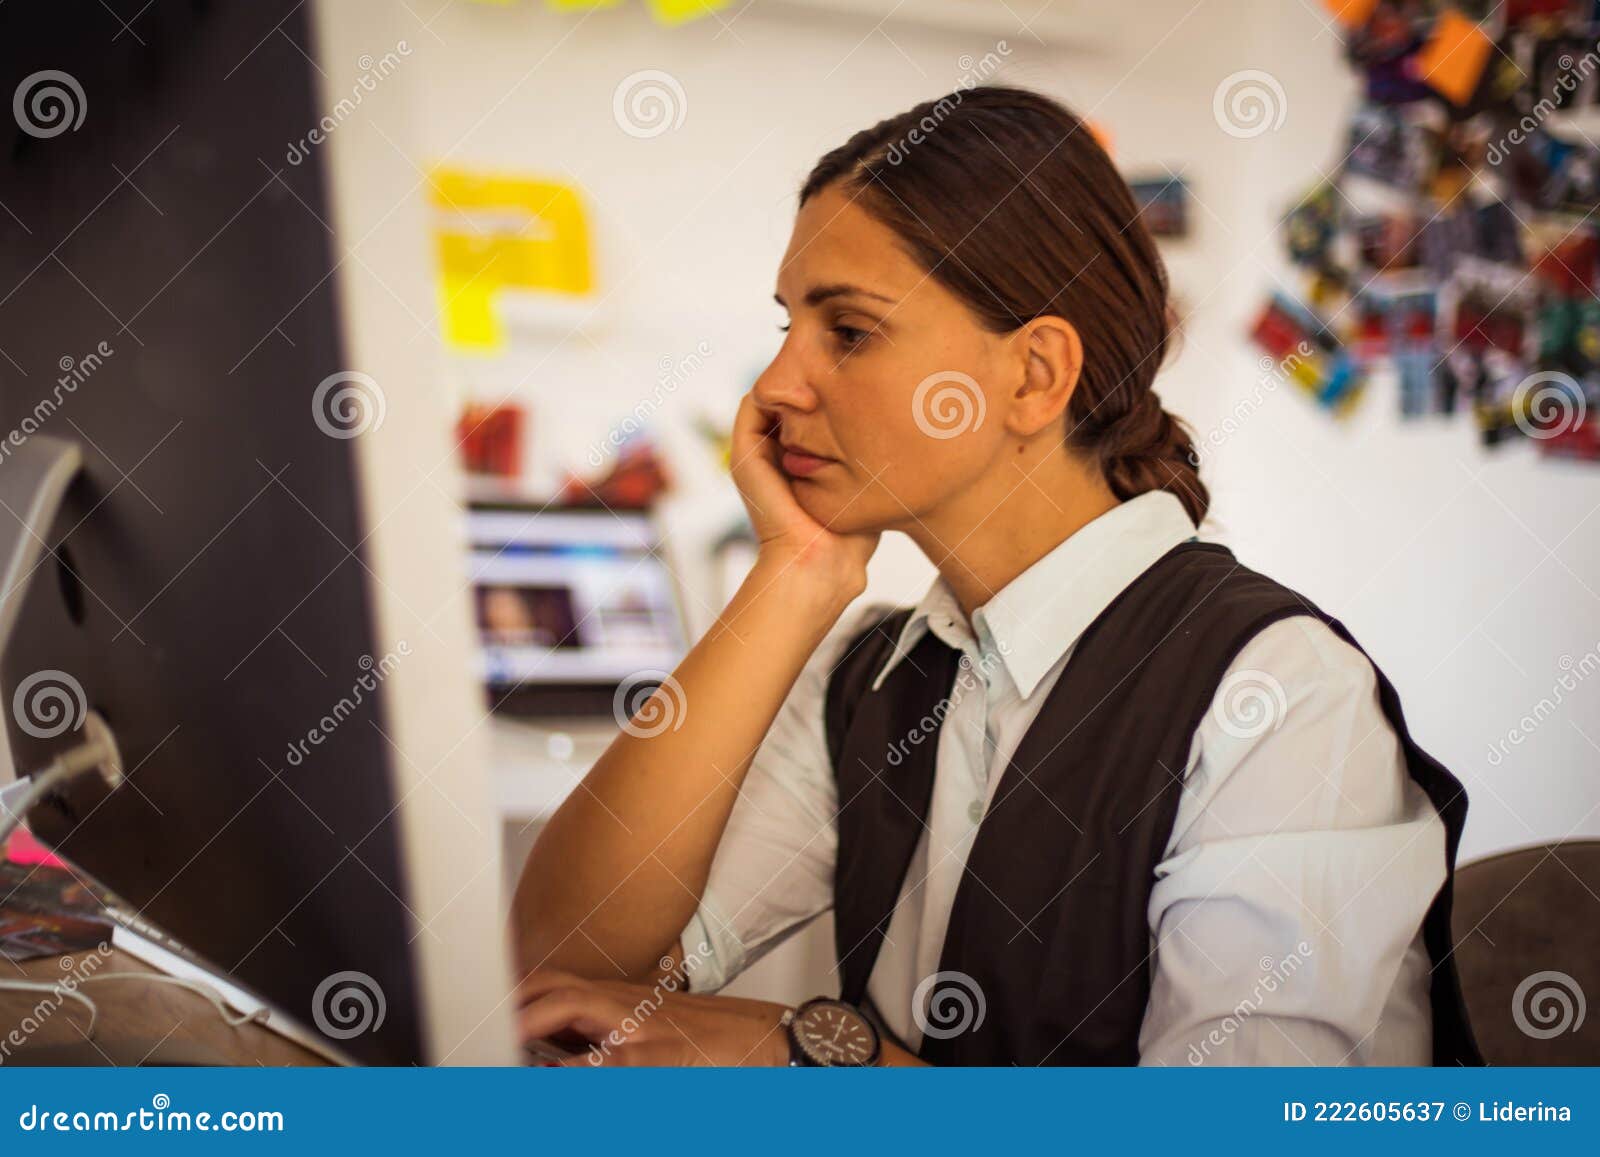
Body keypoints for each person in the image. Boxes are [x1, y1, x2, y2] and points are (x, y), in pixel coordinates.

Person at [510, 86, 1480, 1067]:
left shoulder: (1276, 696)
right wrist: (793, 574)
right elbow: (564, 962)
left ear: (1033, 376)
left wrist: (811, 1055)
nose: (773, 389)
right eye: (787, 328)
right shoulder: (873, 674)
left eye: (847, 331)